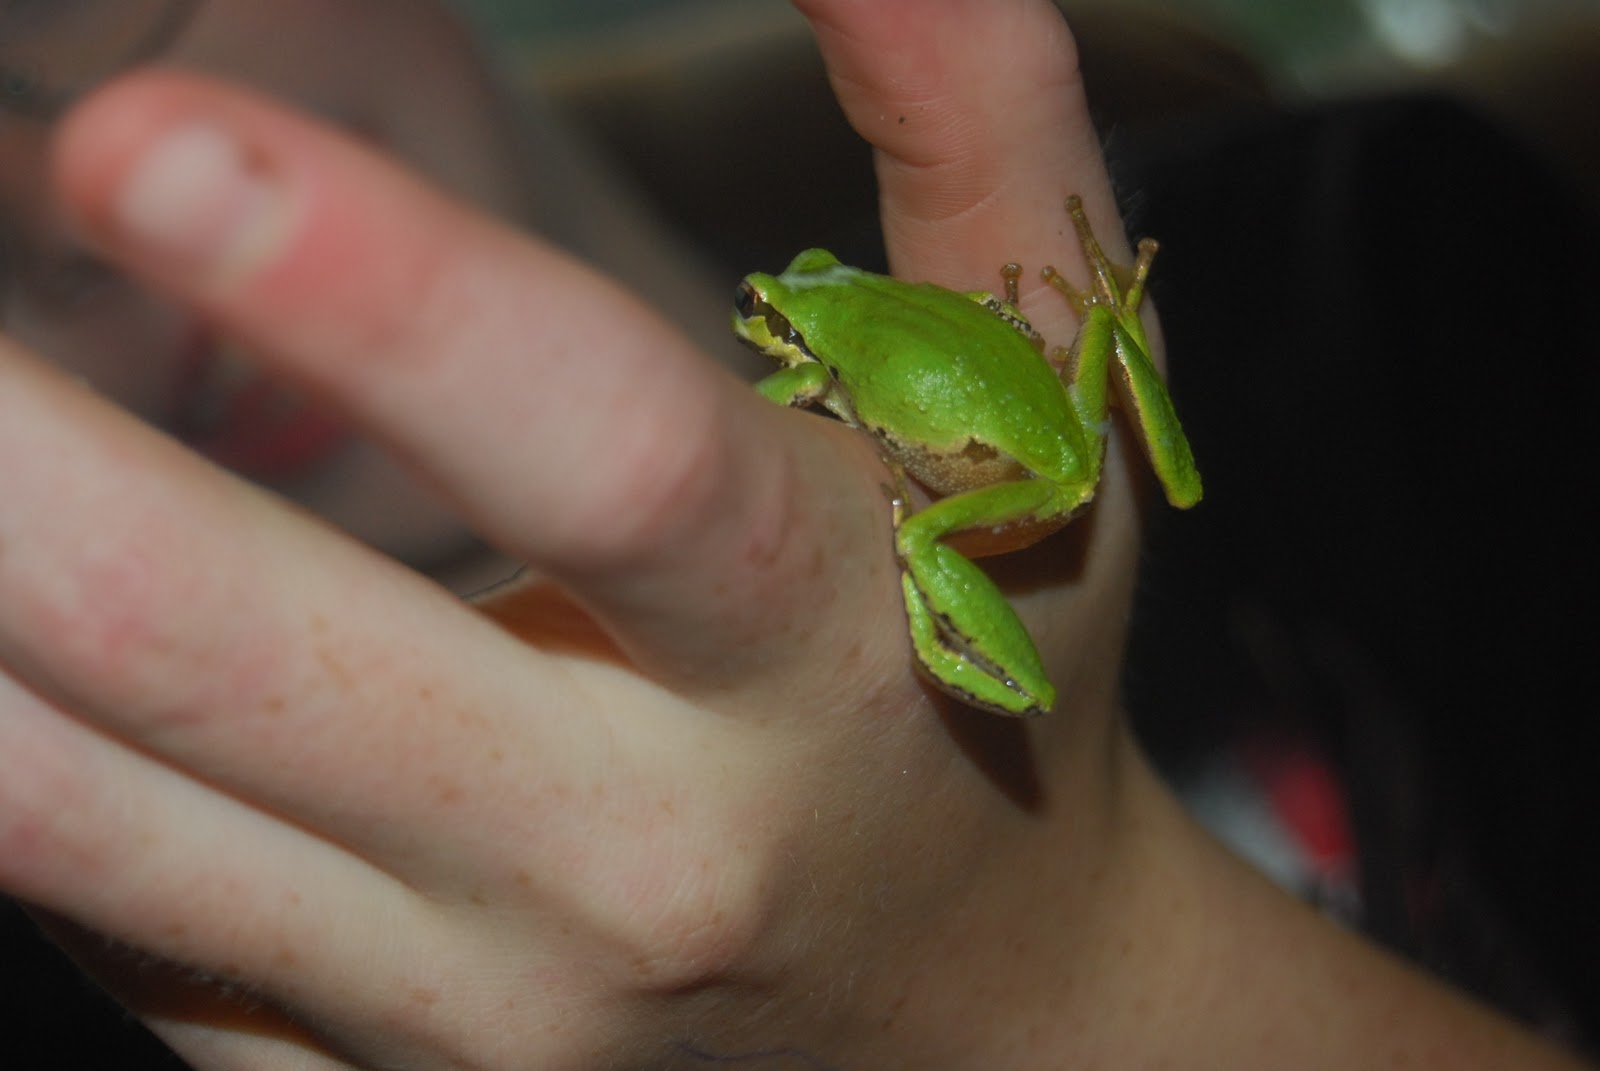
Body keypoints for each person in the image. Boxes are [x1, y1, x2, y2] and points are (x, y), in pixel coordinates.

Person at [0, 1, 1590, 1068]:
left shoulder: (1384, 271)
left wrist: (1076, 965)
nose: (62, 202)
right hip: (1034, 410)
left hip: (1018, 457)